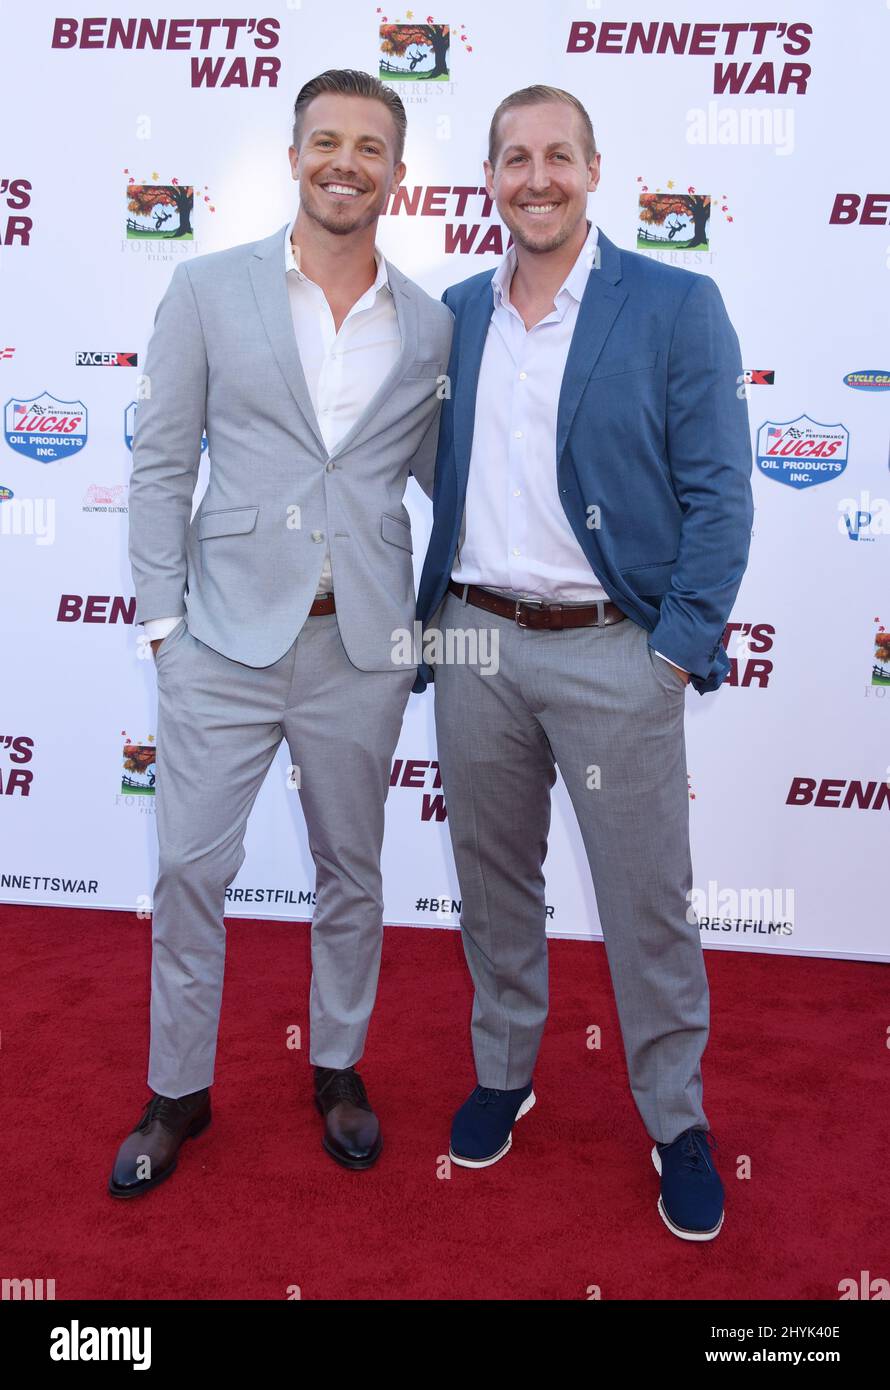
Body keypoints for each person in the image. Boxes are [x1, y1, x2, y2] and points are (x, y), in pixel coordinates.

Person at [414, 85, 753, 1241]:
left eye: (557, 154)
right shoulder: (457, 311)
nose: (536, 176)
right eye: (514, 158)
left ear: (594, 169)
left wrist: (673, 651)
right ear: (491, 180)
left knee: (644, 905)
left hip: (614, 654)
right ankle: (505, 1068)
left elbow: (718, 493)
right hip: (473, 644)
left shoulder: (673, 303)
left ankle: (674, 1119)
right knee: (493, 884)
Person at [111, 68, 452, 1197]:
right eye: (326, 141)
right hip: (219, 639)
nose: (345, 162)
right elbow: (162, 456)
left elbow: (442, 485)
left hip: (359, 648)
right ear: (293, 152)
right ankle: (176, 1092)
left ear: (397, 172)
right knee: (188, 872)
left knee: (352, 870)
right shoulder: (209, 287)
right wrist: (165, 623)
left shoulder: (435, 324)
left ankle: (339, 1071)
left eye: (369, 146)